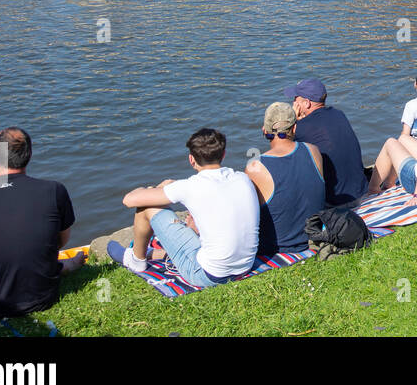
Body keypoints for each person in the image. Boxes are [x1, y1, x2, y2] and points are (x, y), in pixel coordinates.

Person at [0, 127, 83, 317]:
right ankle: (65, 266)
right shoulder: (54, 190)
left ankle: (64, 266)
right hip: (39, 298)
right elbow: (61, 241)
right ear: (29, 156)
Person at [116, 128, 259, 286]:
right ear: (223, 155)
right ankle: (158, 254)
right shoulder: (242, 178)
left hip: (207, 275)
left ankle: (136, 260)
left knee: (147, 207)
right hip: (245, 267)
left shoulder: (189, 186)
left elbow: (129, 200)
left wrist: (155, 188)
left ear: (191, 159)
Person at [244, 103, 326, 258]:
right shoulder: (313, 151)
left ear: (264, 131)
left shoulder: (256, 167)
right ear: (294, 128)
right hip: (312, 238)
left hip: (276, 249)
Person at [288, 79, 367, 207]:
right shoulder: (338, 114)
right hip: (361, 192)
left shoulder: (300, 128)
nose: (293, 102)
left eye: (295, 98)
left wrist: (294, 122)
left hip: (336, 202)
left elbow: (283, 150)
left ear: (306, 103)